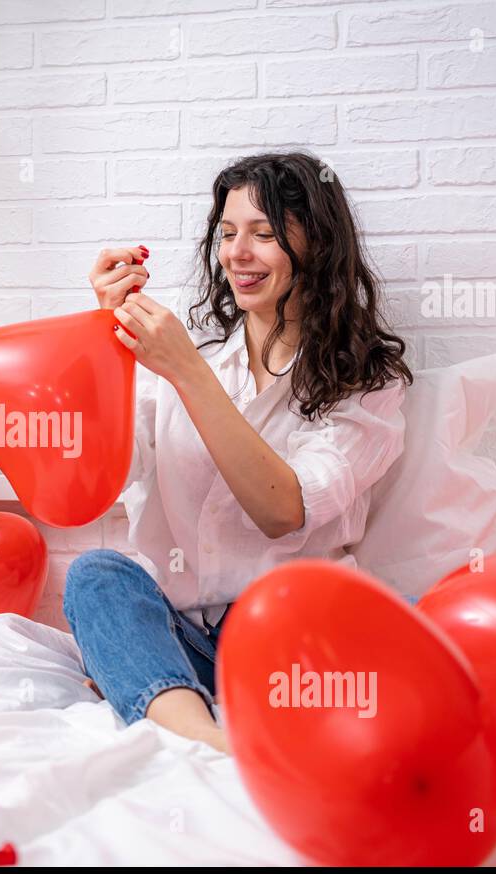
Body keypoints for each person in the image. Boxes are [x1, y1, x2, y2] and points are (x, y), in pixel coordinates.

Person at [63, 152, 414, 753]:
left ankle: (153, 691)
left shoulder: (368, 382)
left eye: (265, 234)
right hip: (185, 637)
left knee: (406, 621)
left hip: (290, 637)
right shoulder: (182, 359)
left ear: (320, 246)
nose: (237, 254)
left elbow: (283, 510)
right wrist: (105, 341)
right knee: (97, 577)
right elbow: (97, 479)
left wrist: (188, 373)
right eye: (227, 234)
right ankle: (204, 736)